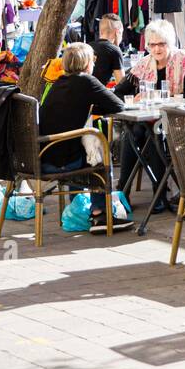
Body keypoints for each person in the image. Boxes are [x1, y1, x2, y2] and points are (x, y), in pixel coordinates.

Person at [38, 43, 132, 233]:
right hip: (64, 161)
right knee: (99, 151)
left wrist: (90, 107)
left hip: (43, 156)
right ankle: (100, 214)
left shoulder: (58, 83)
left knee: (84, 145)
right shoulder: (87, 81)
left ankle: (86, 209)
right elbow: (119, 106)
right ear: (88, 63)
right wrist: (95, 107)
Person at [113, 20, 185, 213]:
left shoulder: (182, 60)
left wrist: (165, 98)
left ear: (170, 42)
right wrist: (133, 100)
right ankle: (123, 192)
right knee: (133, 132)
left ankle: (158, 193)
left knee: (151, 133)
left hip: (177, 121)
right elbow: (117, 92)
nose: (157, 49)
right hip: (148, 120)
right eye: (152, 44)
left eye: (162, 44)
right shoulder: (144, 64)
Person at [91, 14, 124, 86]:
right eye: (121, 33)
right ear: (117, 32)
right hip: (97, 94)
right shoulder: (114, 50)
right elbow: (121, 84)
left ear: (100, 31)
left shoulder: (88, 46)